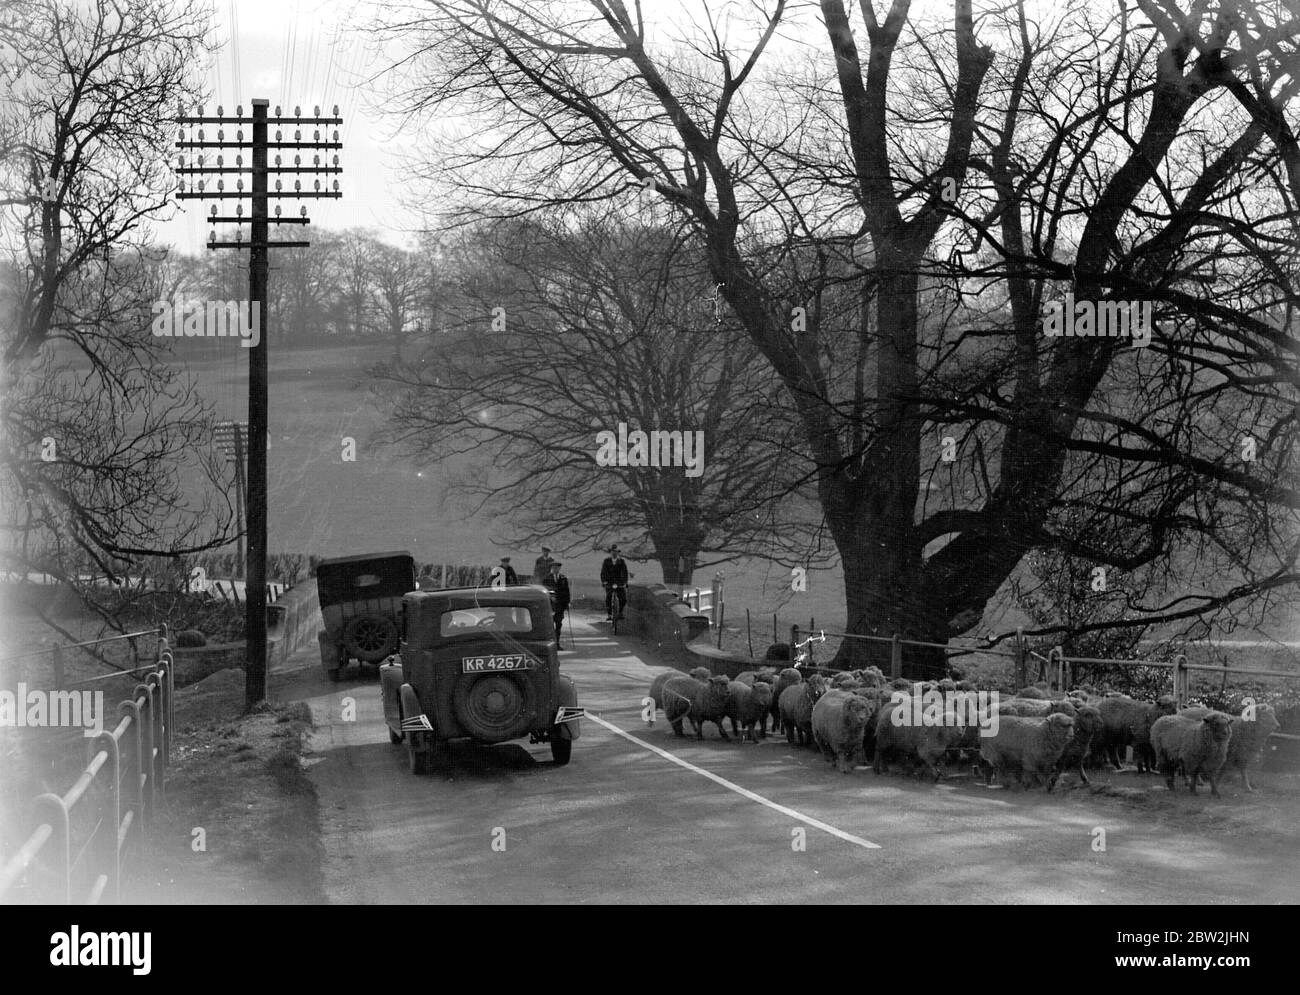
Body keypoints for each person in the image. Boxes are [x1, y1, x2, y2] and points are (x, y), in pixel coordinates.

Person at [543, 562, 571, 649]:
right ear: (552, 568)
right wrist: (551, 597)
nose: (556, 570)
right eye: (554, 568)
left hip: (560, 606)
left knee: (558, 625)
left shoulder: (563, 578)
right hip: (549, 606)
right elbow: (544, 591)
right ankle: (550, 644)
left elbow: (567, 592)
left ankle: (557, 644)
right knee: (549, 626)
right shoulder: (547, 578)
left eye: (558, 568)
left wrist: (567, 603)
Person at [600, 545, 629, 621]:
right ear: (610, 552)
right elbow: (603, 572)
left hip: (619, 583)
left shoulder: (622, 561)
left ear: (618, 553)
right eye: (613, 552)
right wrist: (604, 582)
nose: (614, 553)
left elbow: (625, 573)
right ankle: (609, 614)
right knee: (608, 598)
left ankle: (620, 613)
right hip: (609, 583)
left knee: (623, 598)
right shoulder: (606, 561)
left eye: (616, 552)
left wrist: (625, 582)